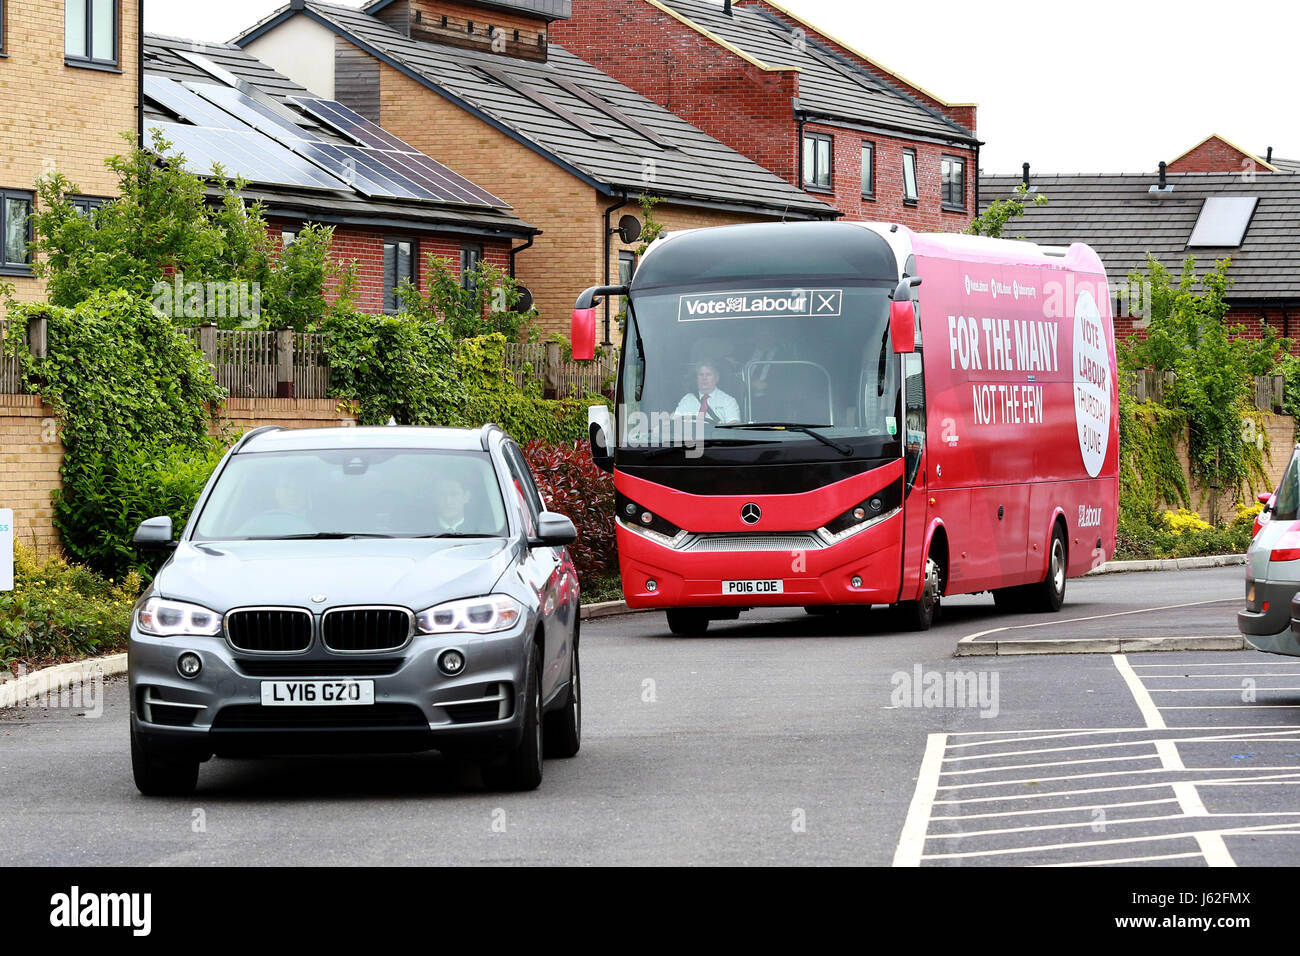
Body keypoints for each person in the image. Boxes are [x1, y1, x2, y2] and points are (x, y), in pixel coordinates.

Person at [674, 361, 740, 424]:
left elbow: (733, 429)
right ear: (697, 378)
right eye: (701, 374)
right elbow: (674, 423)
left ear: (716, 378)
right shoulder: (687, 400)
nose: (704, 378)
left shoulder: (728, 401)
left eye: (708, 374)